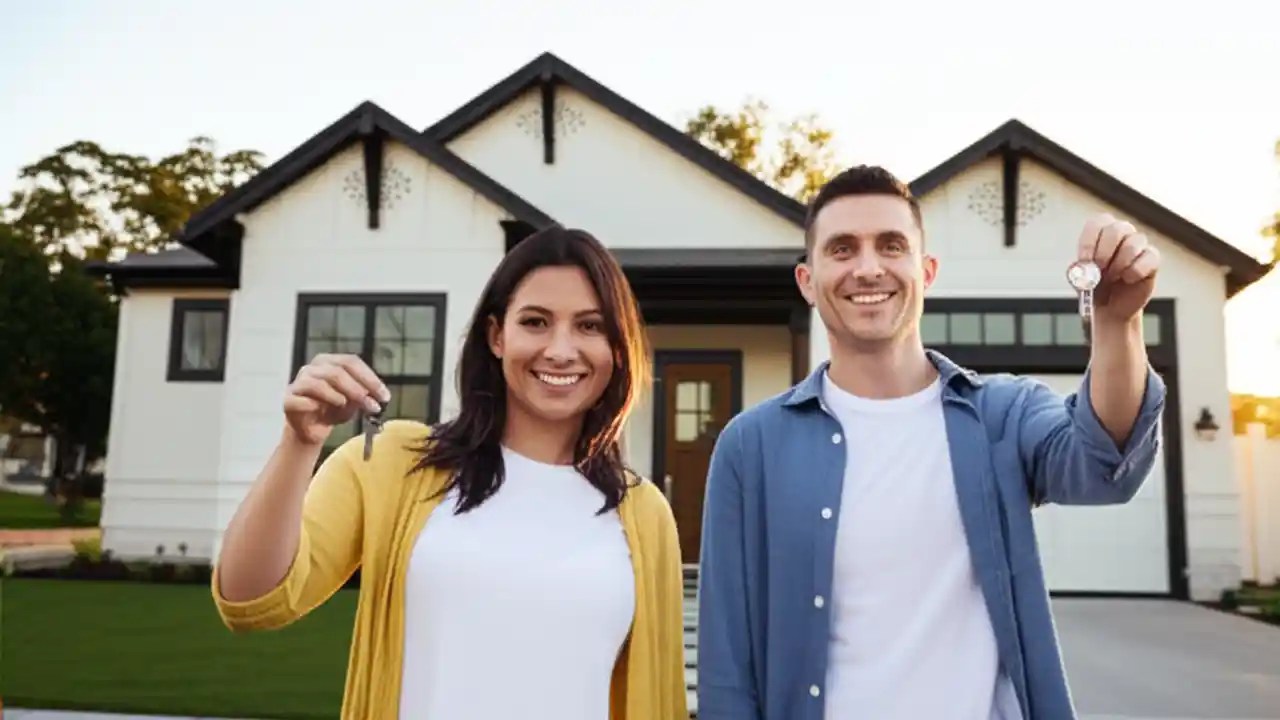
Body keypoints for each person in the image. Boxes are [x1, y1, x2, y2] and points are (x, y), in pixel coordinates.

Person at [696, 166, 1166, 720]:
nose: (868, 267)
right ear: (806, 280)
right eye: (842, 249)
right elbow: (726, 665)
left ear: (927, 270)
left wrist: (1118, 324)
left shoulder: (1002, 415)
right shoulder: (751, 447)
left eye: (891, 246)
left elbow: (1103, 464)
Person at [211, 227, 689, 720]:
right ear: (497, 336)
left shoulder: (644, 513)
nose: (561, 350)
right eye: (536, 322)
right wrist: (300, 442)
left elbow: (660, 700)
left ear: (617, 346)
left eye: (590, 326)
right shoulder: (394, 464)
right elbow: (251, 599)